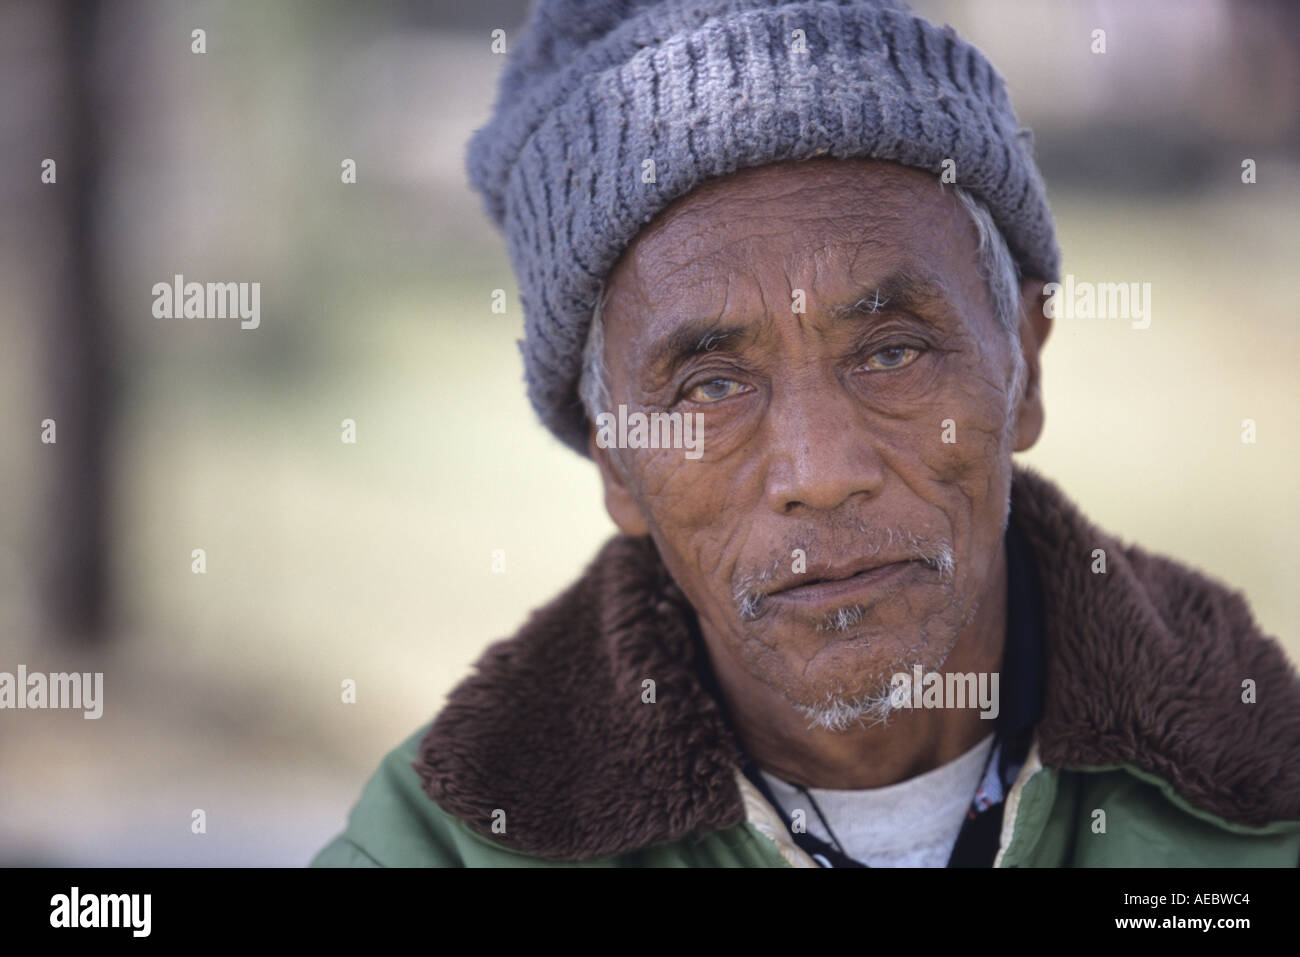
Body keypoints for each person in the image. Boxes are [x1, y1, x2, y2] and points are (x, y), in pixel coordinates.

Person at [312, 0, 1300, 867]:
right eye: (709, 385)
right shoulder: (444, 845)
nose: (823, 474)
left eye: (891, 354)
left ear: (1023, 367)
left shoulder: (1260, 799)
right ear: (613, 458)